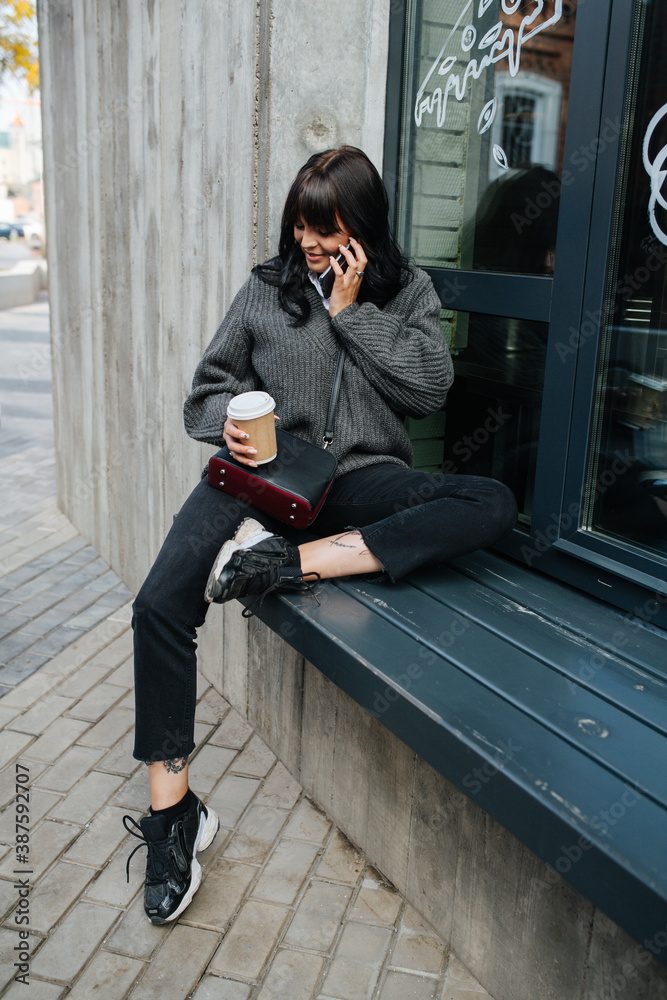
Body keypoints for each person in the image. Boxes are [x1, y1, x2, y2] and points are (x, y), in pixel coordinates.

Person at [124, 146, 518, 925]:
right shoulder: (266, 290)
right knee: (160, 602)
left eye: (325, 224)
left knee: (488, 499)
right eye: (300, 223)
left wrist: (347, 313)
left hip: (359, 486)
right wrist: (227, 434)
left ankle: (290, 564)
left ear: (361, 222)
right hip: (264, 479)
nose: (307, 240)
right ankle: (174, 816)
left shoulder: (405, 292)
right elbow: (205, 392)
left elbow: (428, 390)